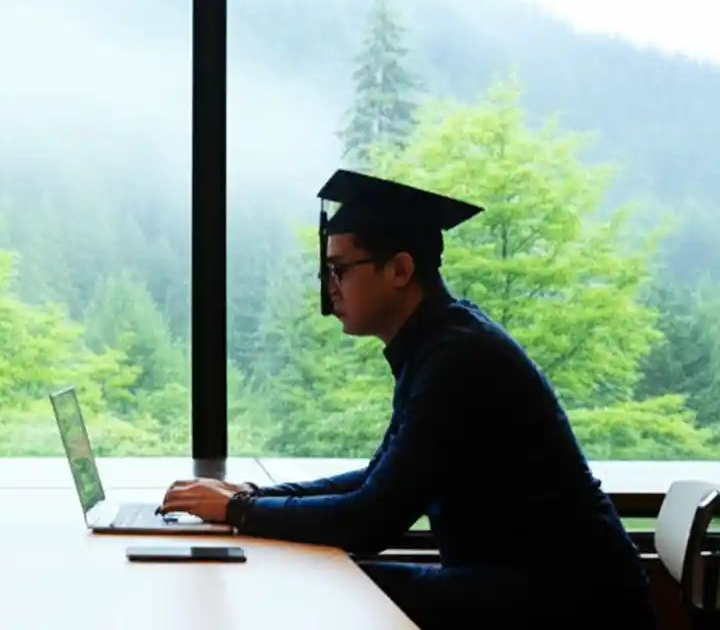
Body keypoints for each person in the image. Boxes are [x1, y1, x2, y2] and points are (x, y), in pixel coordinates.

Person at [160, 169, 655, 629]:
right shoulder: (439, 344)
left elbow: (372, 519)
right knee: (328, 582)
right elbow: (379, 478)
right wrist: (255, 495)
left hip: (571, 605)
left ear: (399, 270)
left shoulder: (459, 360)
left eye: (339, 270)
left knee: (329, 587)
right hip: (526, 587)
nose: (329, 288)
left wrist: (241, 510)